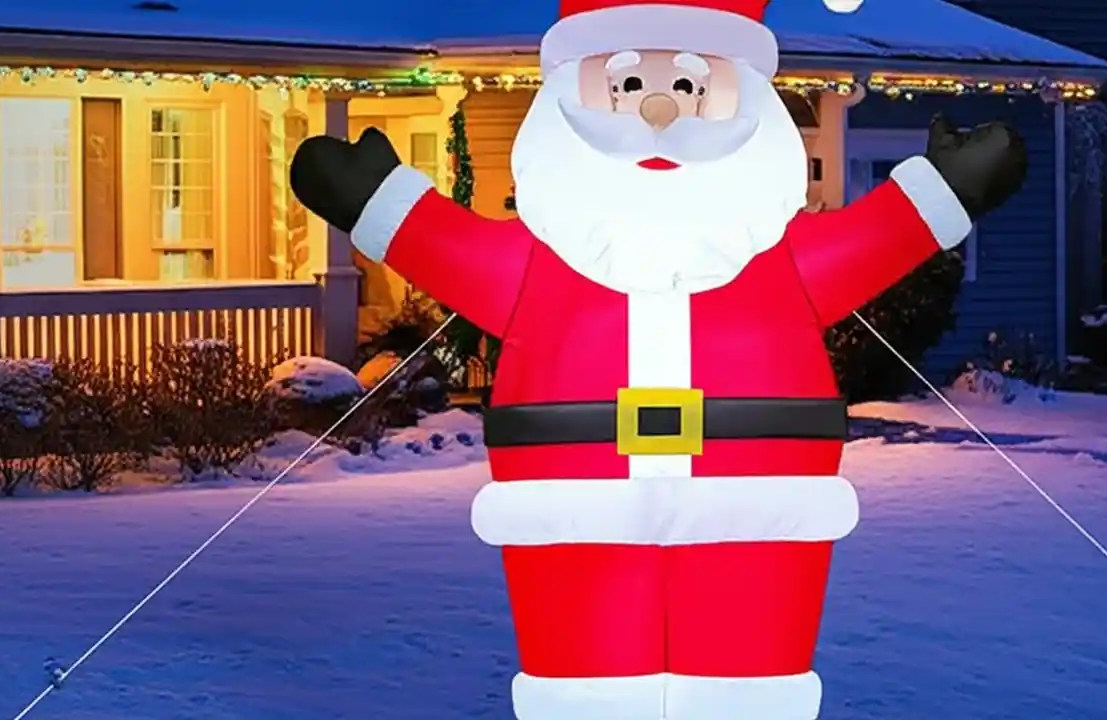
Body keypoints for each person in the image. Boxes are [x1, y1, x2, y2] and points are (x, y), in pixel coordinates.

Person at [290, 1, 1026, 717]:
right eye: (626, 86)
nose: (659, 113)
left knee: (745, 684)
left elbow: (875, 239)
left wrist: (944, 189)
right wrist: (376, 199)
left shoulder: (781, 262)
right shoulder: (534, 266)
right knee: (590, 688)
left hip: (753, 503)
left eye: (691, 87)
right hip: (577, 504)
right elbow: (448, 247)